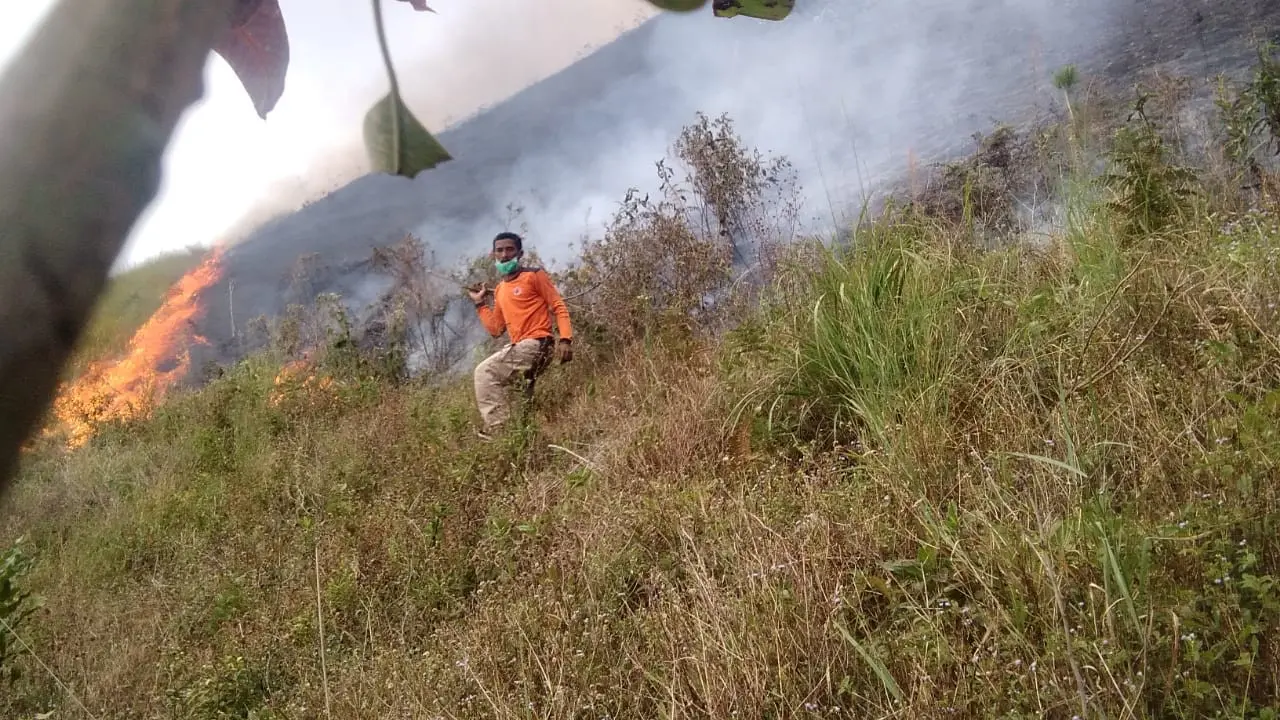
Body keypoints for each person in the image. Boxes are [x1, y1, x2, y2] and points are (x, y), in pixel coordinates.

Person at [468, 231, 573, 439]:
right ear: (493, 255)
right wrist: (480, 304)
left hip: (537, 344)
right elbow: (496, 329)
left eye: (509, 249)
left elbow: (558, 306)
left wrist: (565, 339)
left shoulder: (534, 276)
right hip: (522, 348)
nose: (504, 254)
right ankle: (524, 447)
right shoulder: (499, 290)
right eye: (500, 250)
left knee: (484, 373)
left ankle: (499, 432)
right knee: (520, 405)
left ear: (520, 253)